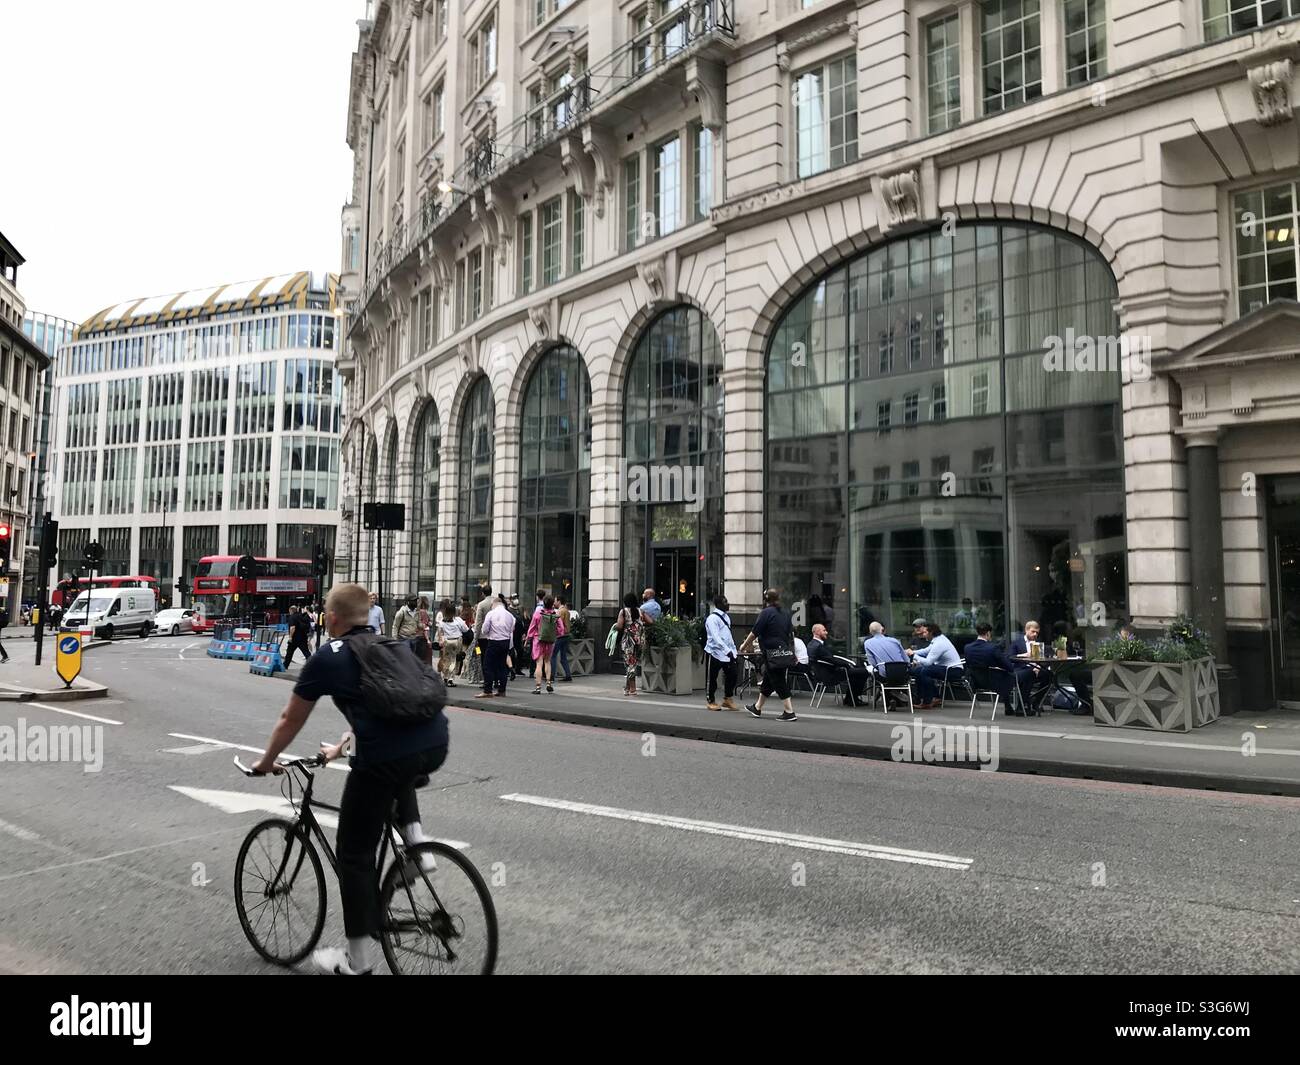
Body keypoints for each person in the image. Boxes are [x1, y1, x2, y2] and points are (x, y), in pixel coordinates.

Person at [250, 583, 449, 976]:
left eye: (326, 613)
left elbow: (290, 718)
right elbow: (390, 712)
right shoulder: (391, 647)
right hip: (436, 743)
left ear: (333, 618)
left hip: (386, 755)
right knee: (400, 767)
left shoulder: (328, 657)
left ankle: (356, 964)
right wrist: (340, 748)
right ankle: (418, 848)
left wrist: (266, 761)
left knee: (354, 854)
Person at [740, 588, 798, 722]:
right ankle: (757, 707)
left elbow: (755, 632)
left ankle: (789, 711)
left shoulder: (766, 613)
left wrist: (744, 646)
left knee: (778, 680)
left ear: (765, 600)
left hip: (771, 652)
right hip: (783, 651)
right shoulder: (785, 613)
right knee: (768, 680)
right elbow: (791, 633)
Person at [963, 621, 1032, 716]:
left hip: (977, 682)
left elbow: (969, 665)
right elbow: (1009, 667)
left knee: (1005, 674)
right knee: (1029, 672)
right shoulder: (992, 648)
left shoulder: (967, 648)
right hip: (995, 682)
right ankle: (1020, 707)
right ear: (988, 633)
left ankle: (1008, 706)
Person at [907, 621, 962, 709]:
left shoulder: (939, 643)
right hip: (945, 668)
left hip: (953, 670)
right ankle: (931, 697)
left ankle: (927, 701)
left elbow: (928, 662)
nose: (923, 635)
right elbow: (926, 650)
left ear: (931, 632)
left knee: (925, 671)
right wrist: (911, 652)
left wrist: (913, 655)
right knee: (918, 671)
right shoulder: (937, 639)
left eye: (925, 632)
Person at [475, 595, 515, 698]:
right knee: (502, 666)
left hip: (493, 642)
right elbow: (511, 630)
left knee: (488, 665)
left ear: (494, 604)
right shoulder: (510, 615)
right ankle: (502, 690)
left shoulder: (491, 614)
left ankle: (487, 690)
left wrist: (489, 633)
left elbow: (484, 629)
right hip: (505, 642)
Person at [704, 593, 739, 711]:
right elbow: (716, 637)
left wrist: (733, 650)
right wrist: (726, 650)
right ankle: (711, 700)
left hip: (728, 653)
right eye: (725, 602)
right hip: (715, 652)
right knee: (712, 678)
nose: (728, 604)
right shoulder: (712, 619)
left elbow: (728, 636)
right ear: (718, 604)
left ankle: (727, 699)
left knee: (733, 674)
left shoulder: (726, 617)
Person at [526, 594, 566, 694]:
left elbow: (532, 627)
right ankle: (548, 683)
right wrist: (555, 634)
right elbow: (561, 630)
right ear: (552, 603)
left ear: (543, 603)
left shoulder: (538, 613)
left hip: (538, 640)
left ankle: (538, 687)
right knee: (547, 662)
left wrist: (528, 638)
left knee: (539, 664)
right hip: (550, 641)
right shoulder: (555, 614)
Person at [433, 598, 469, 685]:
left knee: (446, 659)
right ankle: (450, 679)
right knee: (454, 660)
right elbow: (466, 630)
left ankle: (445, 677)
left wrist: (441, 640)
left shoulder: (442, 621)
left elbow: (440, 632)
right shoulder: (458, 620)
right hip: (457, 641)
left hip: (446, 642)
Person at [615, 592, 644, 697]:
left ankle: (632, 688)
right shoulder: (640, 611)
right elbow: (650, 621)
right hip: (638, 641)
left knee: (630, 664)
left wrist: (616, 627)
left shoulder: (623, 612)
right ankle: (627, 688)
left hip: (627, 641)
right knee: (632, 663)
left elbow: (619, 626)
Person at [551, 595, 573, 682]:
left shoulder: (560, 611)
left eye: (555, 601)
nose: (554, 602)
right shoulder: (567, 611)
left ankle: (552, 676)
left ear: (559, 601)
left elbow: (556, 623)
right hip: (566, 635)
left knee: (553, 655)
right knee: (563, 657)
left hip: (560, 636)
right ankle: (568, 675)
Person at [416, 596, 433, 664]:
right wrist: (428, 639)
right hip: (423, 637)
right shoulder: (424, 612)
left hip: (416, 636)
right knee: (425, 659)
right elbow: (425, 627)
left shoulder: (417, 612)